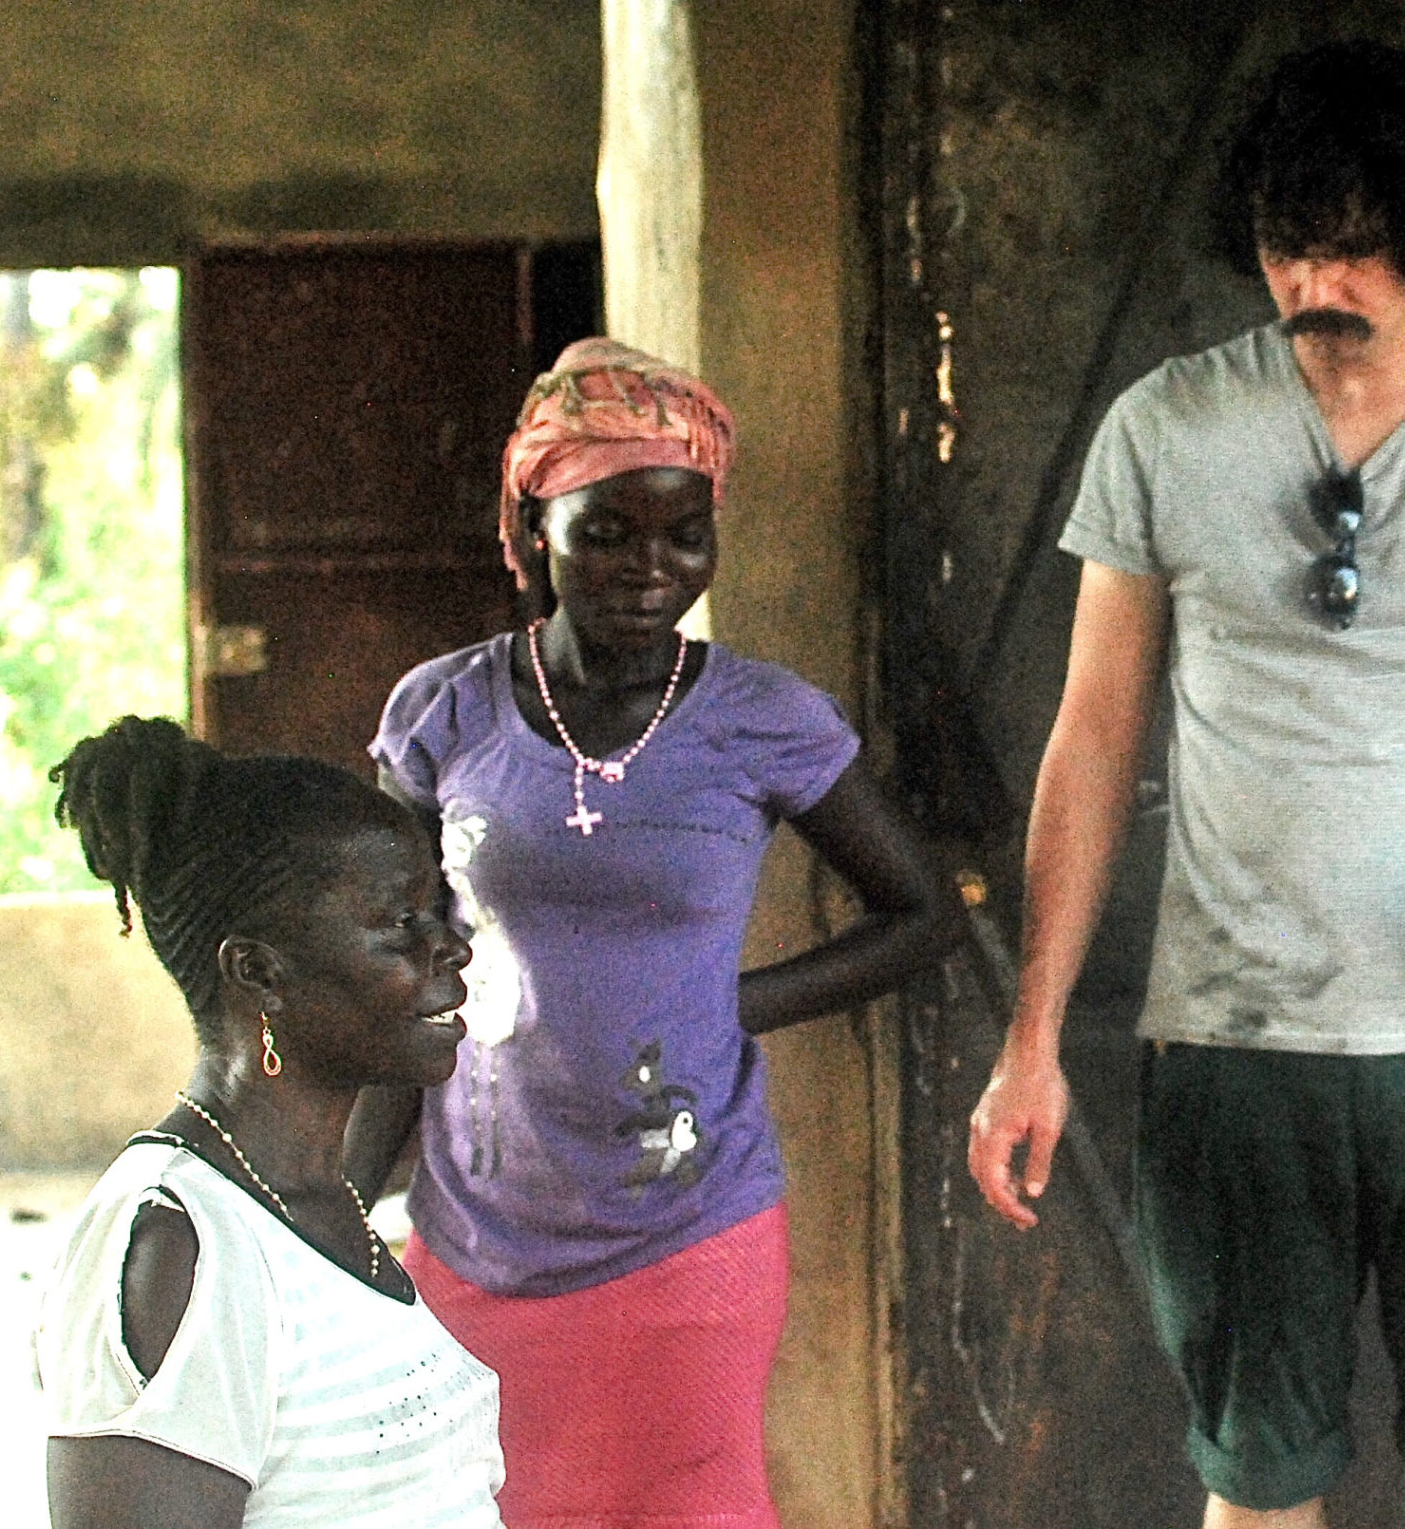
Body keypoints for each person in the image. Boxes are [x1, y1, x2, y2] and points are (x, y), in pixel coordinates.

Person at [967, 39, 1405, 1529]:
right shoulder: (1167, 426)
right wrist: (1032, 1037)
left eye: (1359, 243)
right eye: (1290, 242)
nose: (1319, 279)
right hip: (1237, 1040)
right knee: (1257, 1482)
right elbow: (1092, 735)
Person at [357, 337, 963, 1529]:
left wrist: (731, 1004)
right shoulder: (446, 711)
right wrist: (323, 1202)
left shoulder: (763, 720)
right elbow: (394, 979)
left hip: (691, 1232)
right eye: (609, 533)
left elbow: (924, 914)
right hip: (473, 1230)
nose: (652, 568)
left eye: (686, 535)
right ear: (538, 526)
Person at [35, 716, 502, 1528]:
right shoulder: (178, 1243)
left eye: (437, 912)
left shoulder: (316, 1200)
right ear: (258, 971)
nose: (450, 949)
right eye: (400, 922)